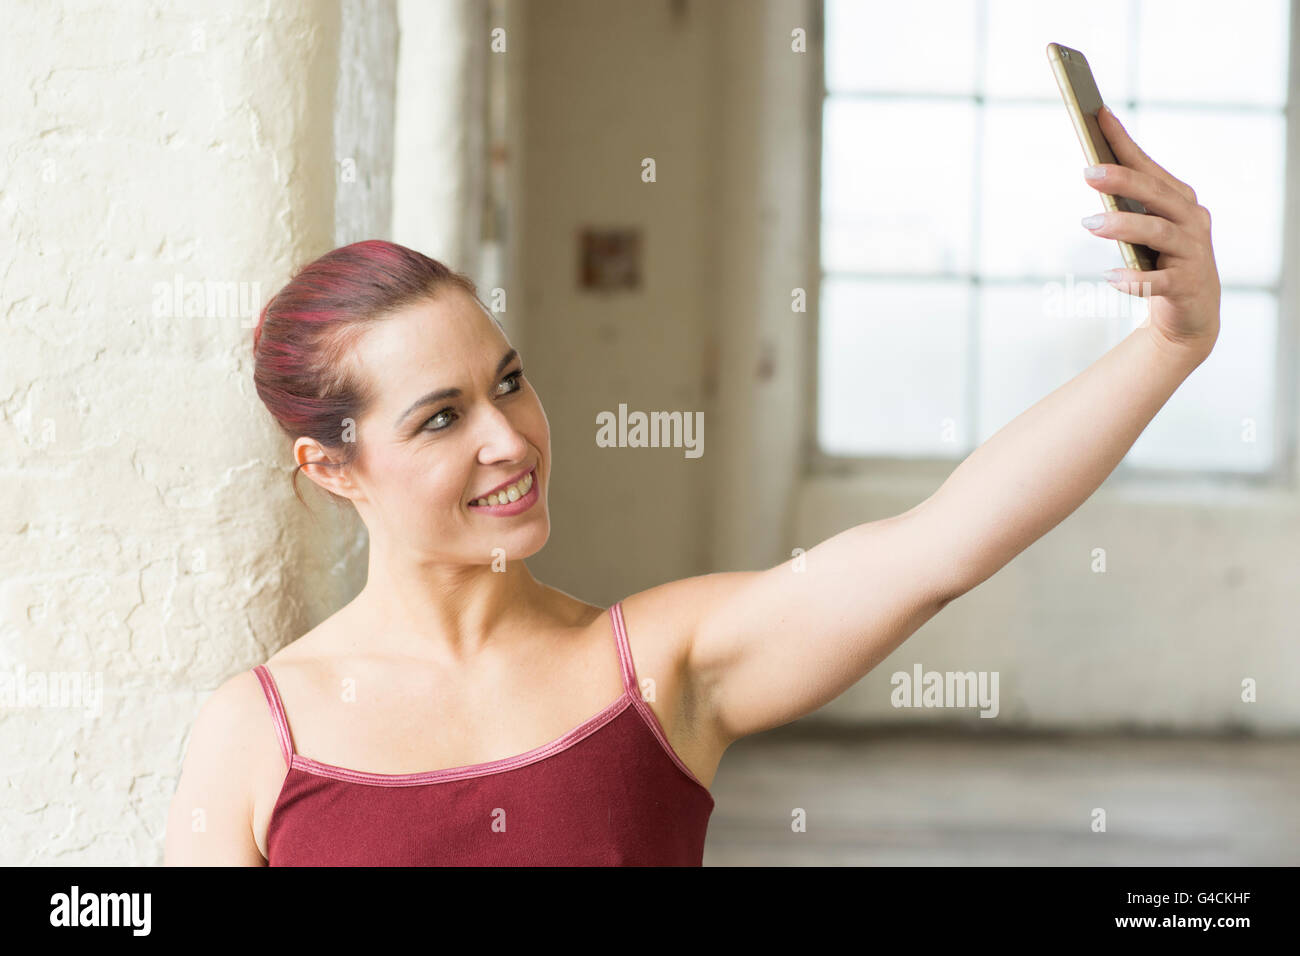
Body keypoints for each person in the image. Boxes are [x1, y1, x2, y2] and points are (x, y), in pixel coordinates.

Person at [164, 106, 1220, 865]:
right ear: (333, 464)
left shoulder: (660, 665)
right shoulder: (257, 734)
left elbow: (939, 545)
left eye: (511, 382)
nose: (509, 438)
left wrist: (1170, 345)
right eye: (441, 416)